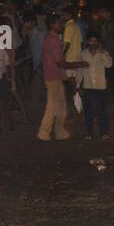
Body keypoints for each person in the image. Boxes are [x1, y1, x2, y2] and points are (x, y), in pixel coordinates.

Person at [38, 13, 73, 141]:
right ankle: (44, 132)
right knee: (53, 106)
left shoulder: (50, 38)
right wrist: (78, 64)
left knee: (60, 106)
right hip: (54, 75)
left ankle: (59, 131)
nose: (61, 25)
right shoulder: (53, 39)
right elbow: (59, 62)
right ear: (53, 24)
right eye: (59, 23)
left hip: (53, 74)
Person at [76, 33, 113, 138]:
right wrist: (78, 85)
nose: (93, 43)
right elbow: (80, 70)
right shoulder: (83, 54)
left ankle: (104, 132)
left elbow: (109, 65)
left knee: (102, 110)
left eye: (95, 41)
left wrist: (102, 53)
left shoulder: (103, 53)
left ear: (98, 42)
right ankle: (89, 133)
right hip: (88, 85)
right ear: (87, 42)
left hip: (100, 86)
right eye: (91, 41)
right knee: (88, 111)